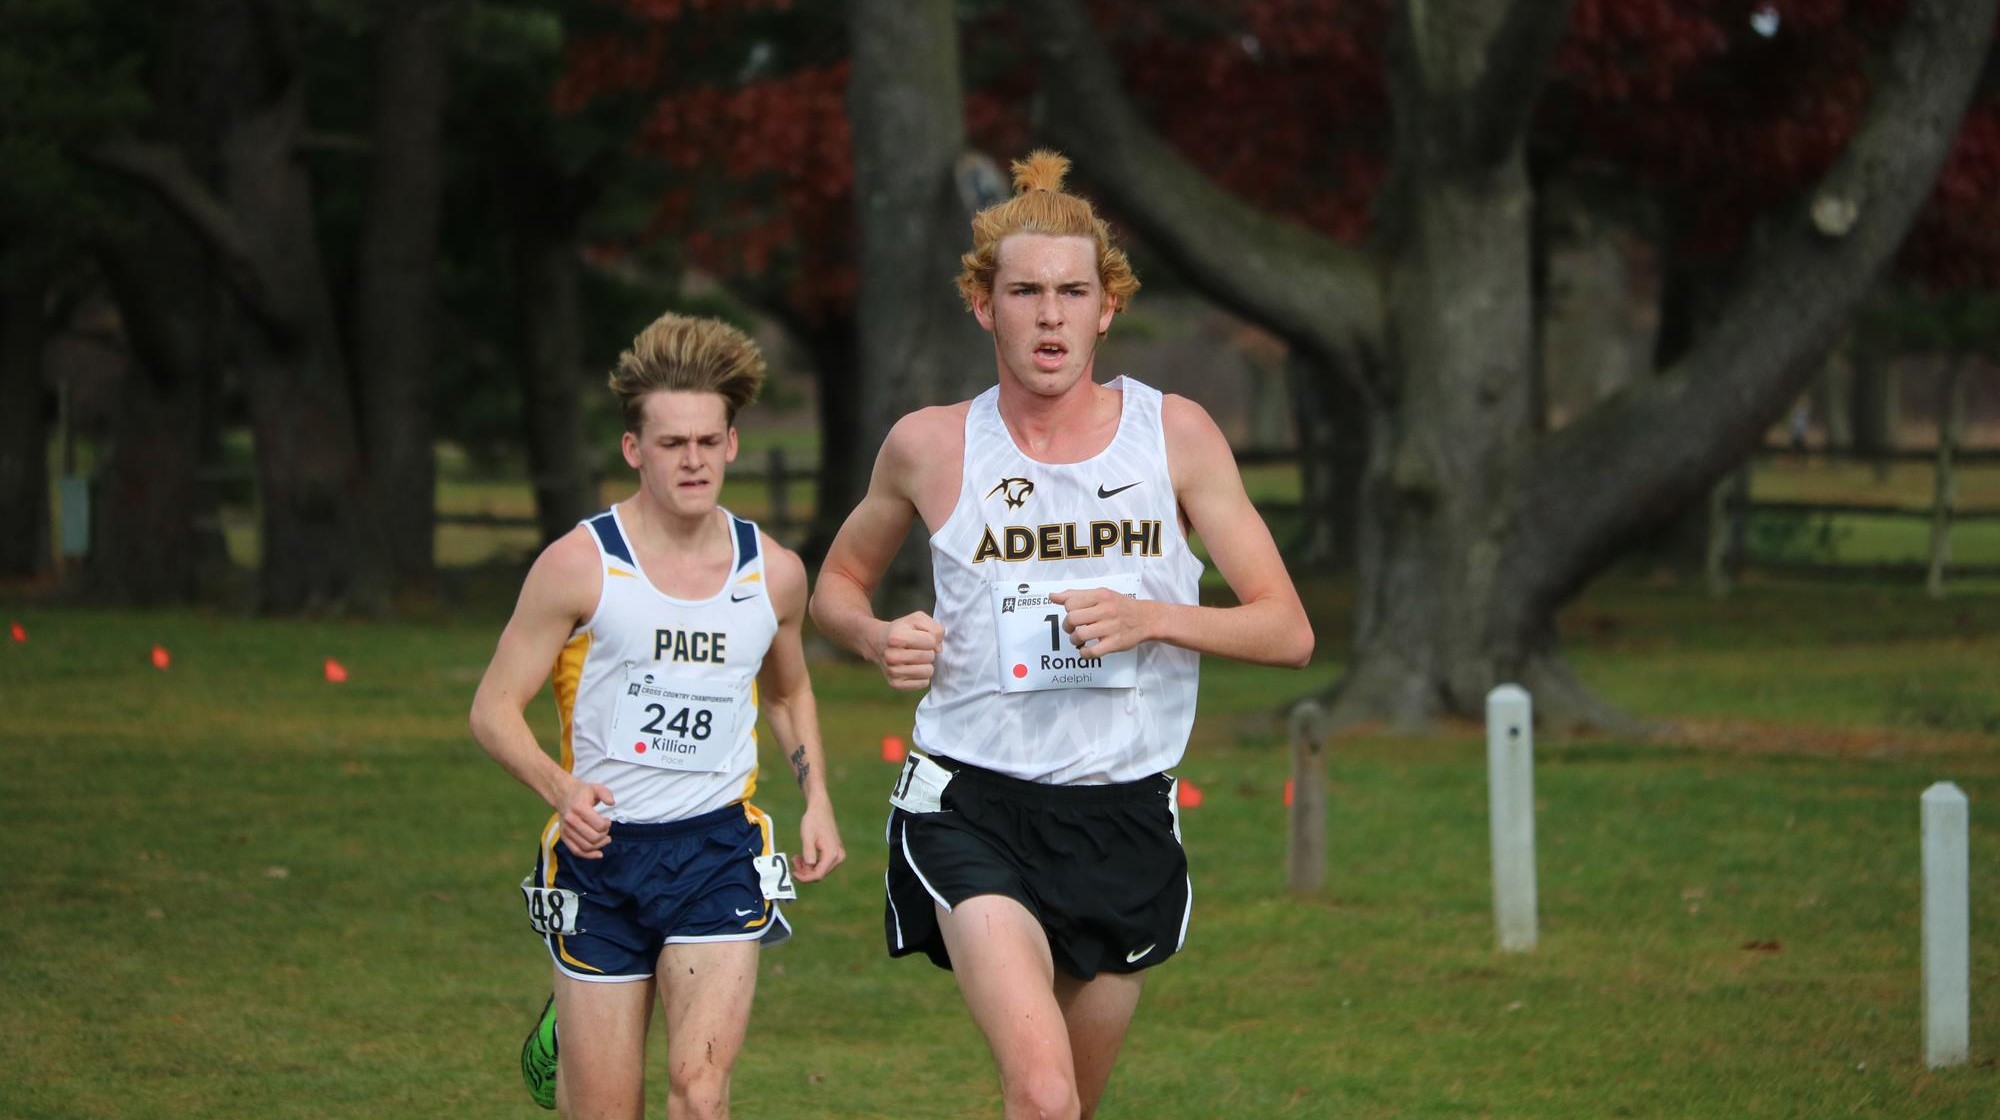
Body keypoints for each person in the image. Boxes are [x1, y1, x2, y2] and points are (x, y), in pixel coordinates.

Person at [810, 151, 1313, 1120]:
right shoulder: (929, 444)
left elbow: (1286, 629)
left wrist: (1150, 618)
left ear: (1106, 307)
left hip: (1121, 815)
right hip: (969, 803)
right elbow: (834, 585)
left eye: (1071, 292)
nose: (1049, 316)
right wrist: (874, 638)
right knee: (1042, 1095)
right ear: (983, 306)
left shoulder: (1175, 436)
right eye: (1025, 292)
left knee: (1059, 1106)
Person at [470, 312, 845, 1119]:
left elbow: (786, 692)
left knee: (699, 1093)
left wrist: (815, 799)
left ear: (733, 444)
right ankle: (573, 1032)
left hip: (716, 852)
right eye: (673, 444)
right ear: (635, 449)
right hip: (599, 856)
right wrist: (559, 788)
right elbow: (494, 708)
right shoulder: (581, 565)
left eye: (709, 441)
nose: (694, 460)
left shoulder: (773, 574)